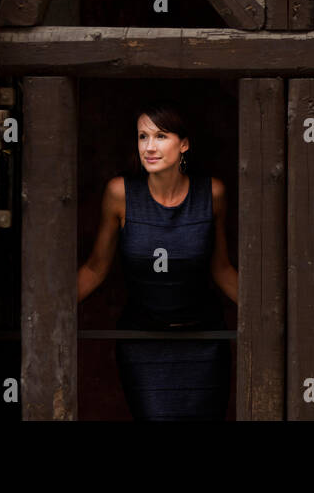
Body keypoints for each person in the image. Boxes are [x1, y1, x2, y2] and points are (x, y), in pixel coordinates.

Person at [78, 102, 237, 420]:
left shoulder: (212, 194)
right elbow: (96, 267)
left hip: (205, 342)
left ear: (184, 144)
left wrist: (273, 315)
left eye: (161, 136)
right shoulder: (120, 193)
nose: (149, 147)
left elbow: (221, 268)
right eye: (142, 136)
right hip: (143, 343)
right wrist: (44, 312)